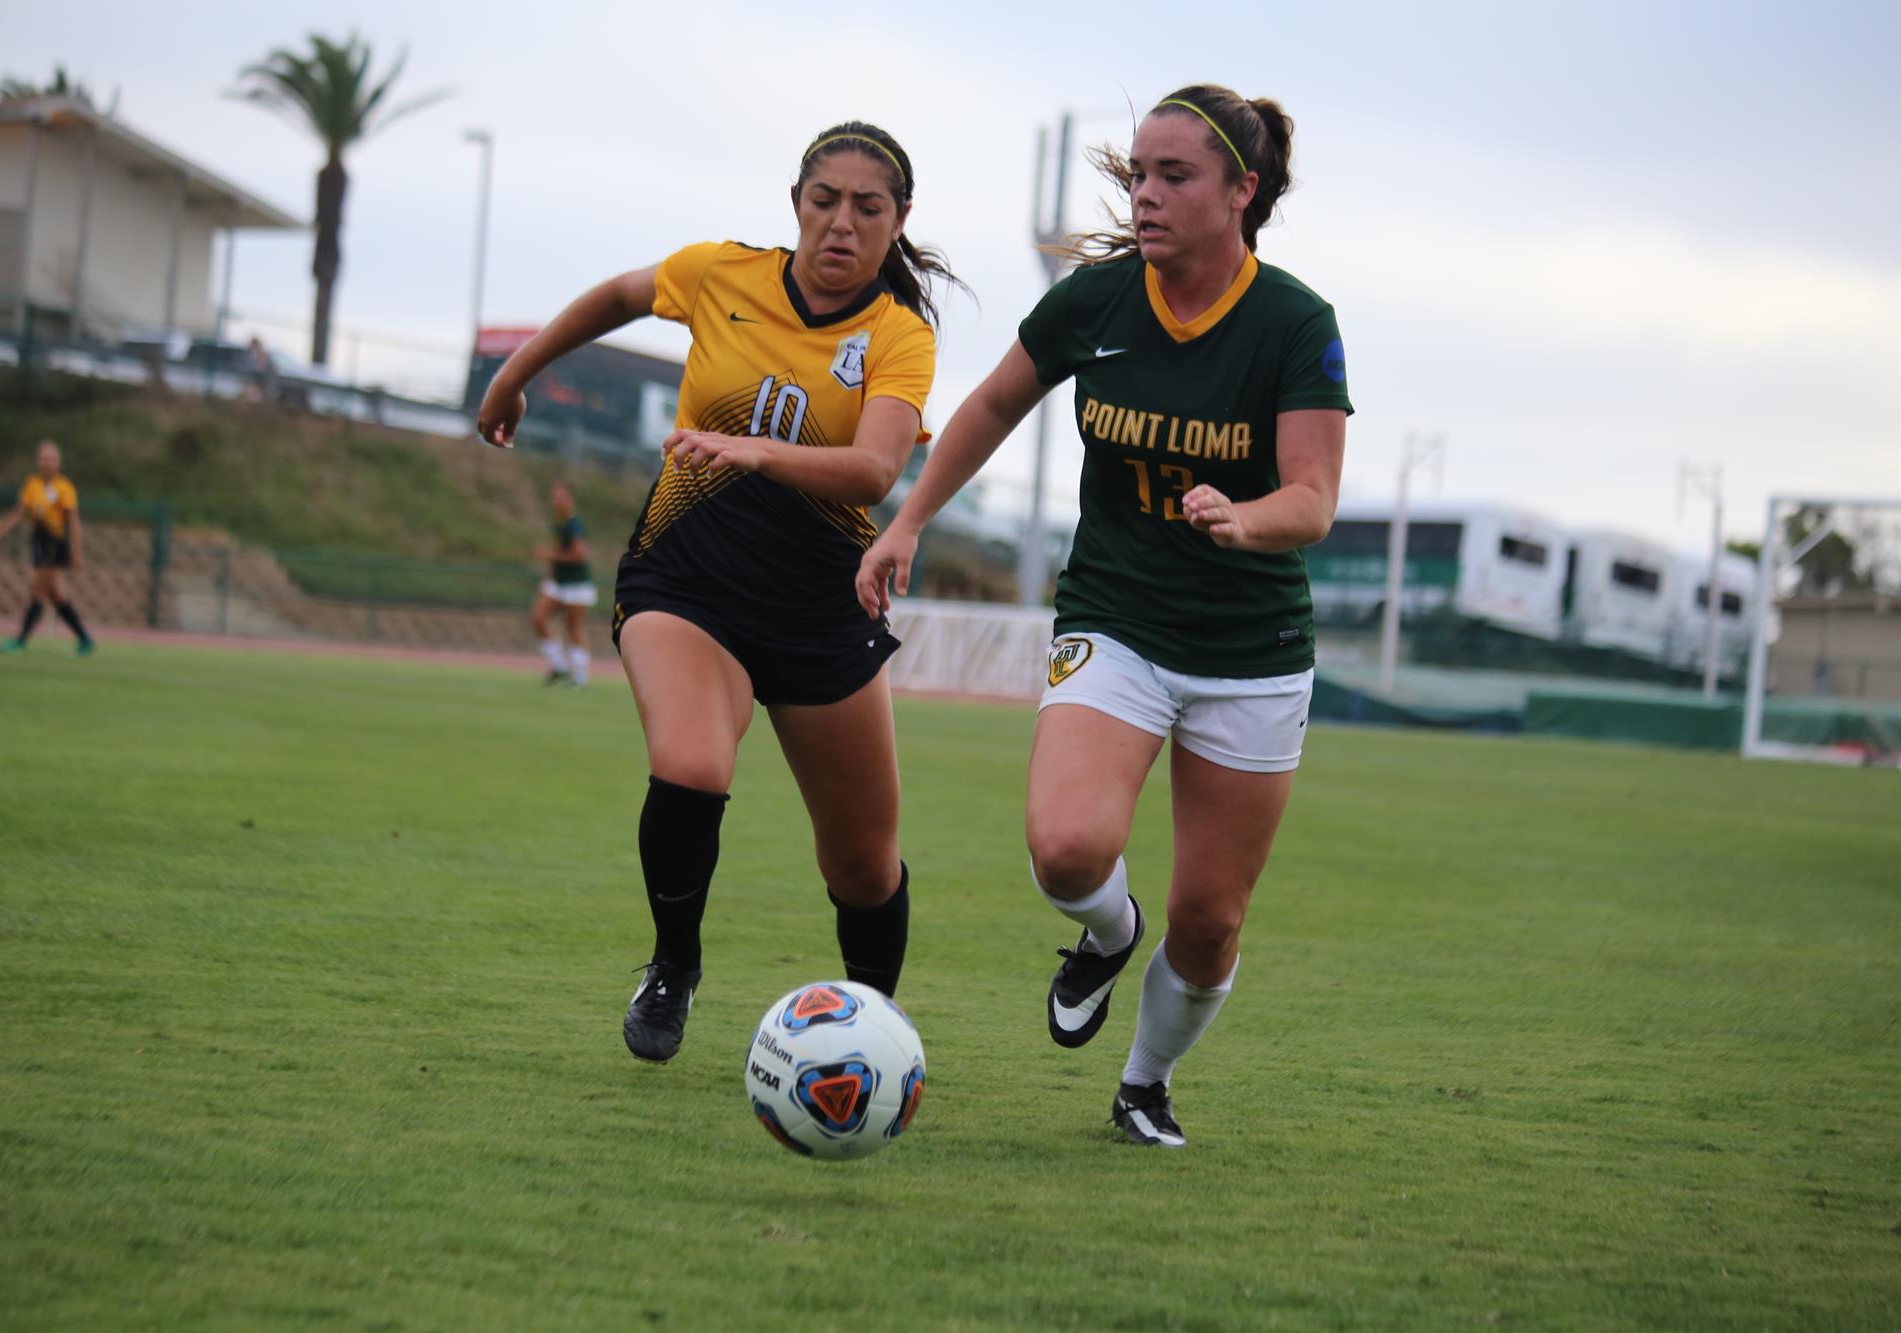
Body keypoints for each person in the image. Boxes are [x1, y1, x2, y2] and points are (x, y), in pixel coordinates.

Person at [858, 85, 1351, 1147]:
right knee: (1069, 849)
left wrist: (1244, 516)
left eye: (1173, 176)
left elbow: (1311, 500)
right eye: (1138, 173)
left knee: (1212, 920)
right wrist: (908, 522)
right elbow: (990, 404)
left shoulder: (1294, 324)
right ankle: (1104, 933)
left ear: (1241, 192)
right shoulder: (1095, 301)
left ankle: (1142, 1083)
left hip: (1250, 651)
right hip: (1116, 616)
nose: (1146, 194)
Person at [477, 121, 959, 1063]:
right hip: (686, 580)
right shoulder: (719, 274)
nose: (841, 225)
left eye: (868, 208)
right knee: (692, 766)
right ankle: (673, 965)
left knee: (862, 865)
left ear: (899, 223)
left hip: (821, 606)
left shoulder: (899, 335)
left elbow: (871, 471)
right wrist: (513, 375)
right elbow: (619, 294)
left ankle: (871, 1035)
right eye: (825, 201)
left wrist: (754, 451)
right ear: (795, 204)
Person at [0, 440, 96, 656]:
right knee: (56, 596)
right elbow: (19, 513)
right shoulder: (32, 484)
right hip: (39, 541)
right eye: (43, 458)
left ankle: (20, 641)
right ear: (38, 462)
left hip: (56, 544)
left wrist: (77, 552)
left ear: (58, 462)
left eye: (51, 459)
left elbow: (73, 521)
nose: (47, 463)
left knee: (37, 591)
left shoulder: (65, 487)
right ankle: (85, 639)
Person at [532, 480, 595, 686]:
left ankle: (580, 676)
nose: (557, 500)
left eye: (561, 496)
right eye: (554, 496)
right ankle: (558, 664)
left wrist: (551, 554)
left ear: (569, 498)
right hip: (558, 583)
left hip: (576, 584)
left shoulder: (574, 523)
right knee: (538, 618)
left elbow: (579, 555)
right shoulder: (558, 522)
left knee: (573, 628)